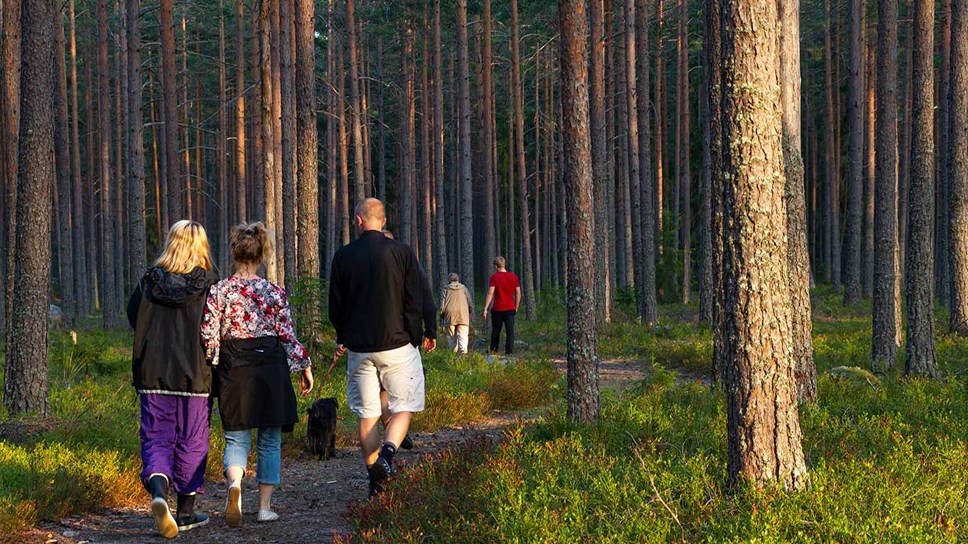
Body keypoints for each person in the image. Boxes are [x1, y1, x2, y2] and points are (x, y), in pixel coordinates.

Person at [201, 222, 313, 526]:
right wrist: (304, 365)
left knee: (236, 439)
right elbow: (286, 334)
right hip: (269, 368)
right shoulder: (273, 291)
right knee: (269, 440)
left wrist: (213, 366)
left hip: (234, 367)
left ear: (235, 252)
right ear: (262, 254)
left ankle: (235, 488)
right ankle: (264, 508)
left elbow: (209, 334)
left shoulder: (219, 290)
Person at [329, 198, 436, 498]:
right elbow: (415, 298)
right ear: (384, 221)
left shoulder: (343, 255)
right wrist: (417, 335)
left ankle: (375, 482)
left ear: (360, 220)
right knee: (404, 407)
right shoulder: (402, 252)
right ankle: (387, 456)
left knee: (367, 414)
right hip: (398, 344)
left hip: (360, 348)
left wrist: (343, 336)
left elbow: (335, 306)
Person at [127, 220, 219, 539]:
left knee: (156, 437)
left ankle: (158, 492)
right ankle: (185, 512)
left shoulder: (149, 283)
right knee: (192, 441)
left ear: (170, 243)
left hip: (153, 373)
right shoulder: (210, 286)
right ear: (201, 247)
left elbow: (132, 317)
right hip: (196, 375)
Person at [482, 256, 521, 356]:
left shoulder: (494, 277)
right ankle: (509, 352)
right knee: (510, 331)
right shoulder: (514, 277)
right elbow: (518, 293)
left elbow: (490, 293)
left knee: (496, 330)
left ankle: (494, 351)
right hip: (510, 309)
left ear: (496, 266)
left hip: (497, 309)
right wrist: (516, 306)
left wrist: (485, 308)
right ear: (504, 265)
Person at [440, 273, 473, 354]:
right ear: (458, 280)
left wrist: (441, 316)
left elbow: (442, 305)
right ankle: (463, 355)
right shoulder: (464, 288)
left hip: (449, 314)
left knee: (451, 337)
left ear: (449, 280)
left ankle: (453, 354)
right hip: (463, 314)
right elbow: (470, 302)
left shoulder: (446, 289)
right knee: (463, 336)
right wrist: (470, 311)